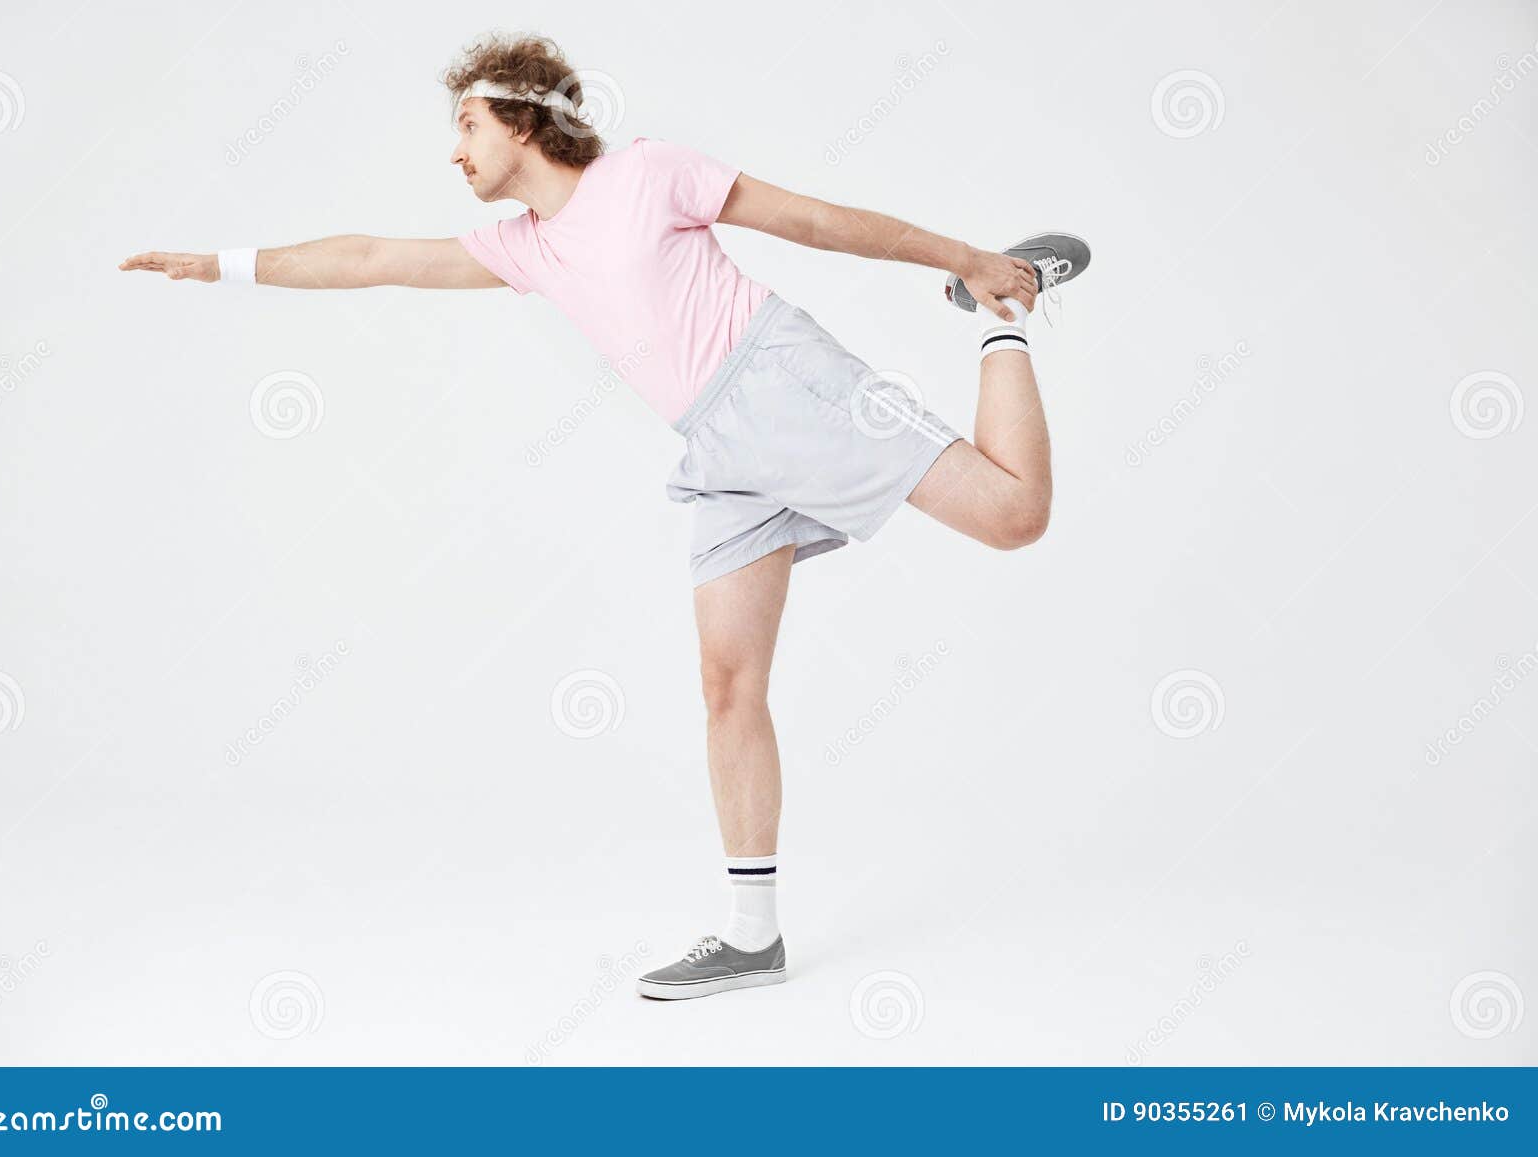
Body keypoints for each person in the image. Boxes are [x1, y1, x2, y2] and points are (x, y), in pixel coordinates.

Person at [118, 32, 1089, 1002]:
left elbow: (816, 222)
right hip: (714, 444)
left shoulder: (650, 174)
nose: (454, 151)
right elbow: (371, 256)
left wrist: (970, 257)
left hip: (782, 382)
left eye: (466, 124)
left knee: (1011, 514)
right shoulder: (524, 248)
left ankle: (1003, 302)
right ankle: (753, 937)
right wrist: (223, 264)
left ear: (523, 115)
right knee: (726, 681)